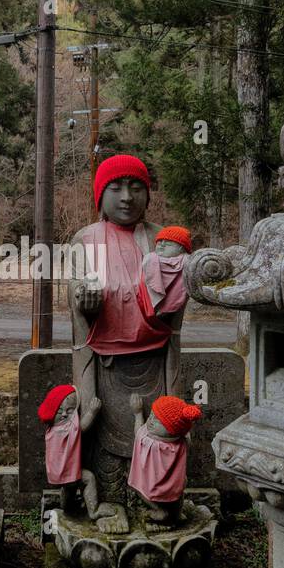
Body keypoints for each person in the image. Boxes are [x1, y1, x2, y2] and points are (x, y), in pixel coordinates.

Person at [68, 155, 185, 522]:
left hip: (154, 356)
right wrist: (83, 299)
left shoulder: (161, 239)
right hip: (106, 361)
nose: (126, 197)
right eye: (115, 188)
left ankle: (157, 500)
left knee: (157, 434)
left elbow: (178, 289)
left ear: (147, 195)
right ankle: (112, 500)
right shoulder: (88, 240)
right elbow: (79, 288)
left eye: (136, 188)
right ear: (100, 195)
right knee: (109, 434)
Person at [128, 393, 202, 526]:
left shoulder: (149, 441)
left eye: (157, 421)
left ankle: (159, 510)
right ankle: (177, 513)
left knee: (136, 485)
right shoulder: (182, 442)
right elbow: (185, 433)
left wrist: (138, 413)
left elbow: (138, 430)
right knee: (181, 486)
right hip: (174, 487)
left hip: (152, 487)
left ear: (171, 430)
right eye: (151, 415)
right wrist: (183, 424)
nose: (150, 421)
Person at [38, 383, 105, 518]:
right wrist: (92, 411)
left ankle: (67, 508)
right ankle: (94, 511)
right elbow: (82, 427)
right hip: (67, 472)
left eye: (69, 411)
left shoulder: (51, 429)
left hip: (58, 474)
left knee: (69, 488)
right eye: (59, 411)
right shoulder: (65, 429)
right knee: (89, 479)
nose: (63, 414)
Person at [137, 225, 192, 325]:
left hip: (171, 311)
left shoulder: (187, 262)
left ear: (181, 248)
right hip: (143, 303)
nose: (162, 245)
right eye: (159, 242)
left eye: (168, 244)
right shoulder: (149, 260)